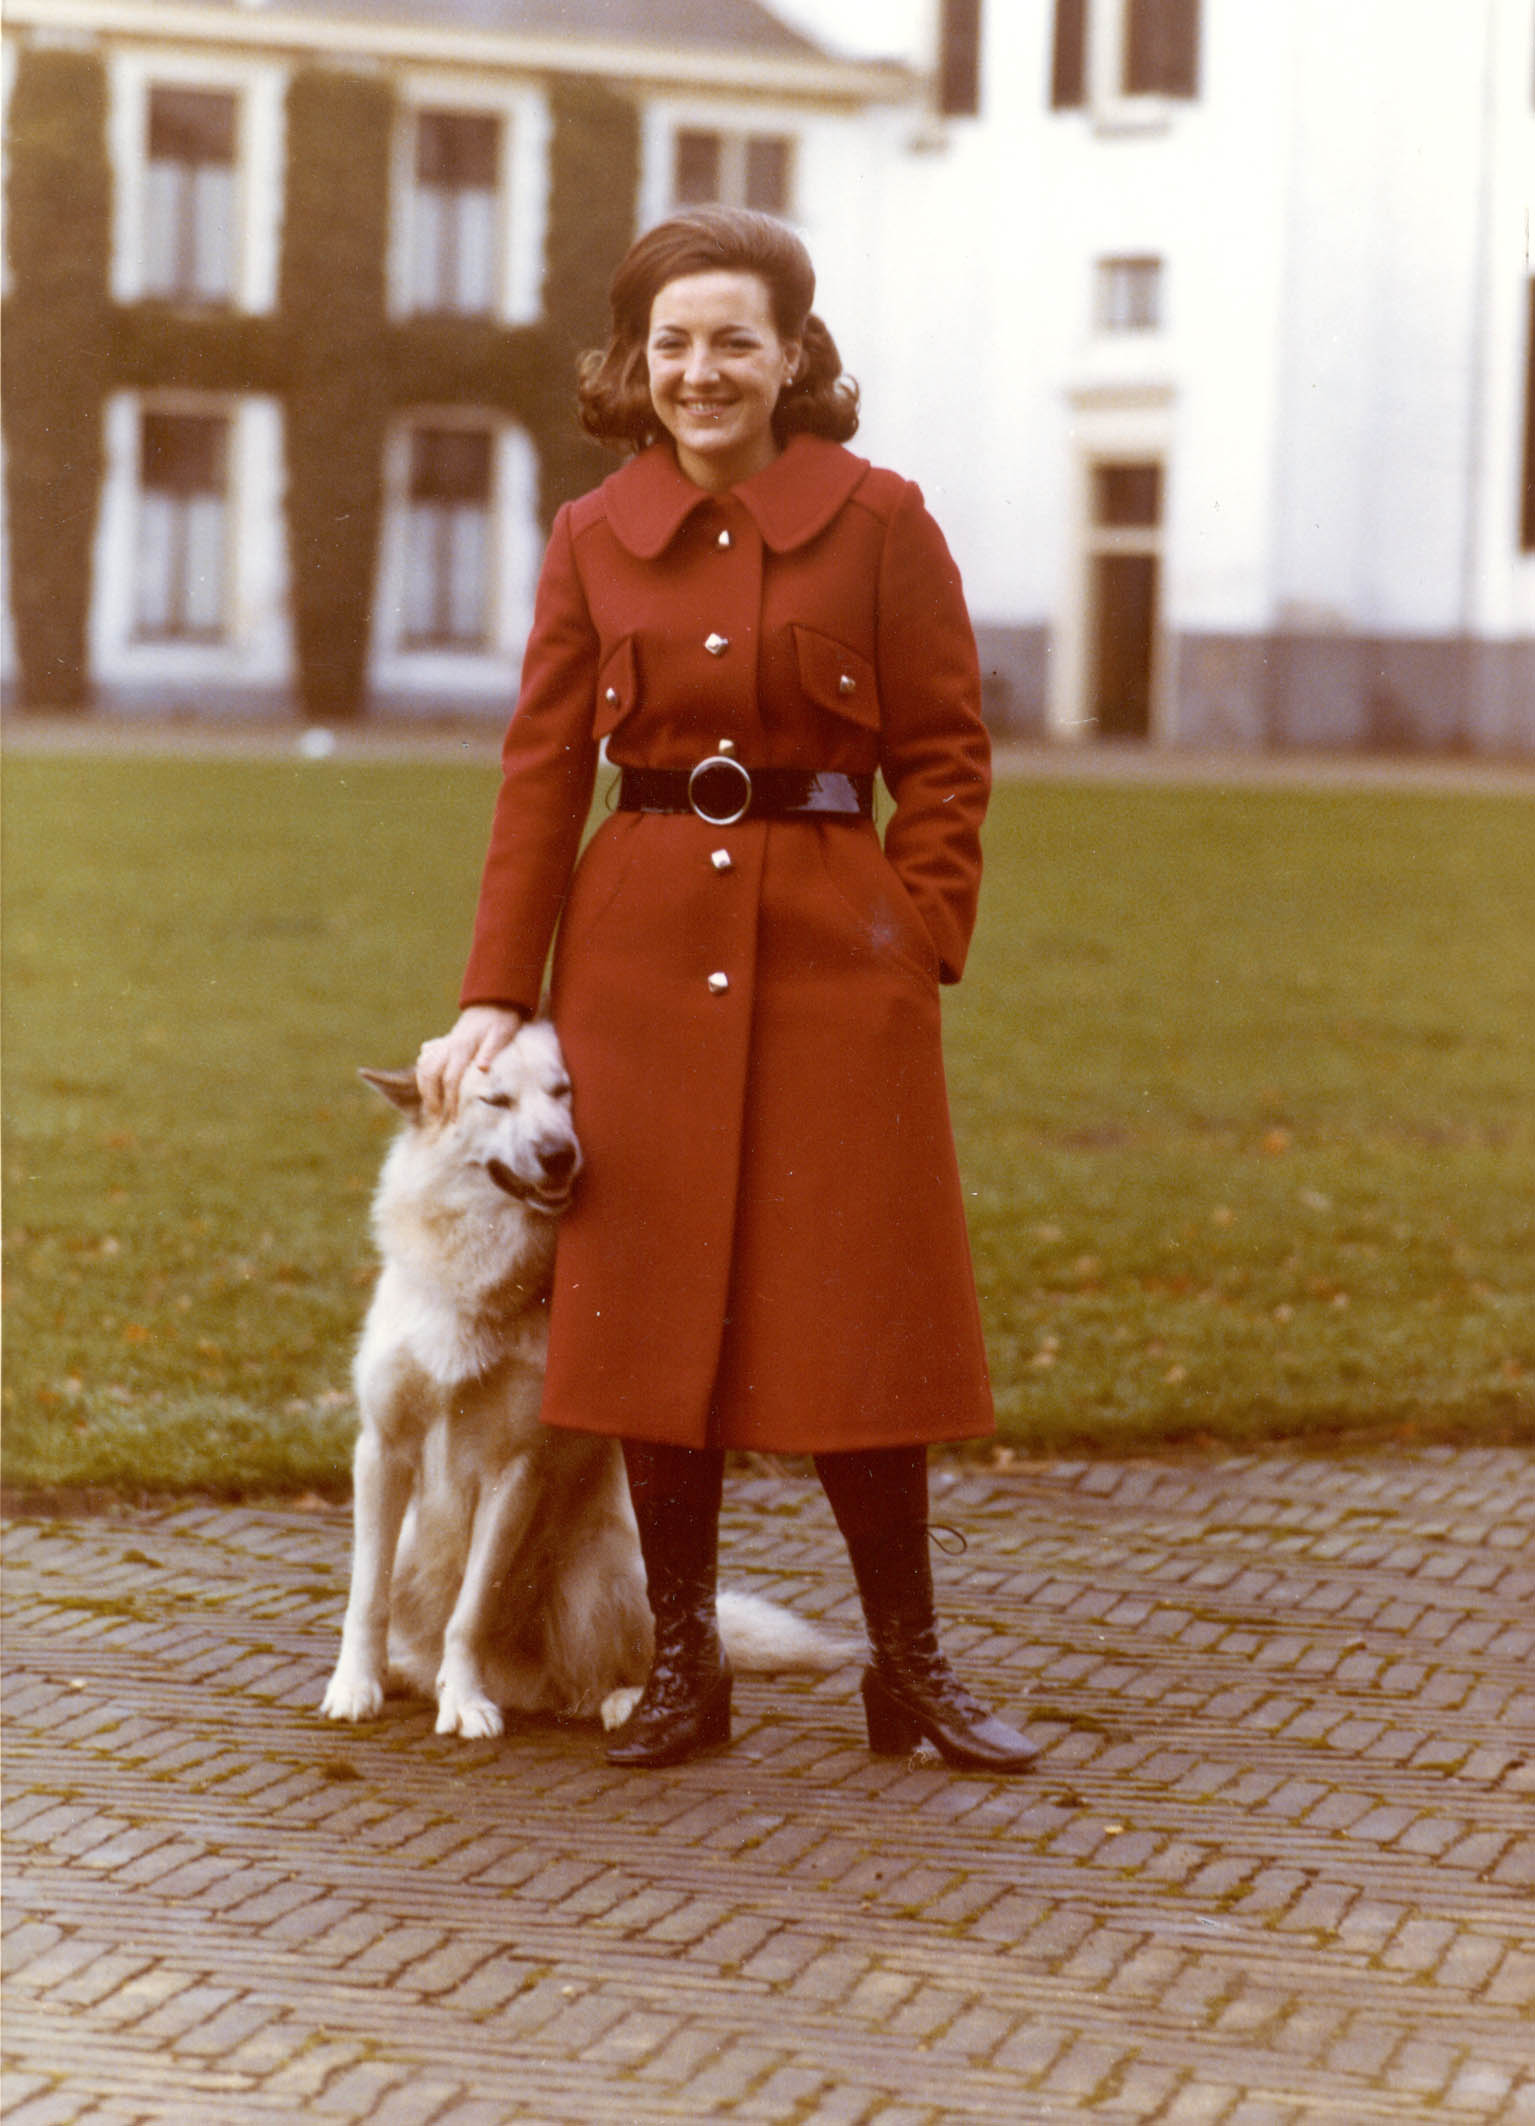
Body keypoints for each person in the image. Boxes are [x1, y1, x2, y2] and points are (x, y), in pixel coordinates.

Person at [415, 206, 1034, 1775]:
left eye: (734, 338)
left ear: (793, 356)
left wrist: (919, 930)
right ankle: (686, 1669)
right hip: (630, 962)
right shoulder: (589, 536)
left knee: (859, 1312)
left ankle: (911, 1669)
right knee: (649, 1312)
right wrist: (498, 989)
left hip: (841, 950)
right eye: (672, 341)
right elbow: (543, 773)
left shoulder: (880, 518)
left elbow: (948, 752)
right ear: (637, 361)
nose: (701, 370)